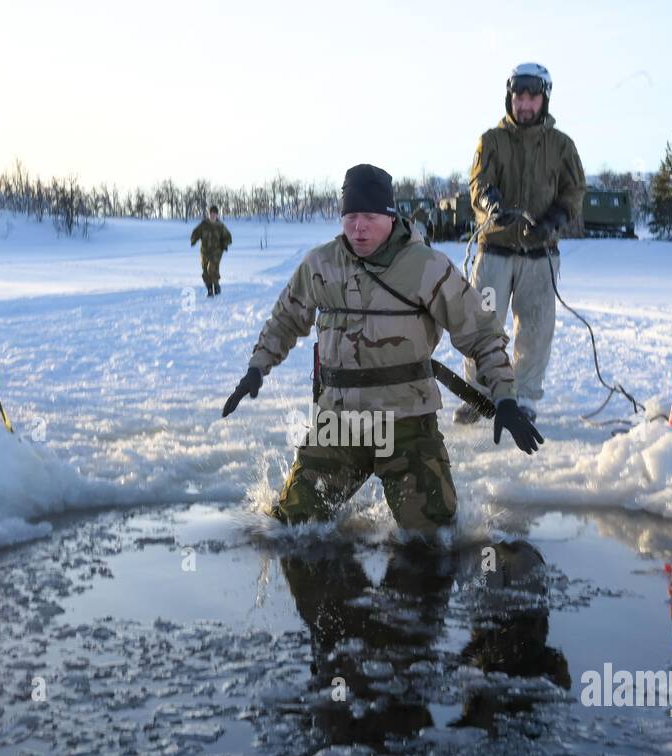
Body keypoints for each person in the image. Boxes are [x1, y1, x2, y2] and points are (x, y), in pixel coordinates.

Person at [221, 163, 543, 538]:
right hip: (339, 424)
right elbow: (285, 320)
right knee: (290, 527)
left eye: (370, 217)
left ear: (391, 217)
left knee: (432, 538)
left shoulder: (427, 267)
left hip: (407, 422)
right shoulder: (320, 265)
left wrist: (504, 396)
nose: (359, 228)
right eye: (351, 216)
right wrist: (256, 369)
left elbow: (482, 334)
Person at [456, 62, 585, 426]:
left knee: (535, 328)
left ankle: (525, 396)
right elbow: (478, 183)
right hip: (494, 251)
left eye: (532, 97)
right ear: (510, 98)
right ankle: (478, 394)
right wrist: (491, 204)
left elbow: (574, 191)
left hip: (539, 255)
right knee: (481, 324)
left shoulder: (562, 146)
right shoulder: (491, 140)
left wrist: (555, 220)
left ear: (544, 99)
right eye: (519, 97)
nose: (524, 104)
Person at [190, 205, 231, 296]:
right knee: (205, 271)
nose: (212, 215)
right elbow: (196, 233)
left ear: (217, 215)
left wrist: (225, 244)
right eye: (211, 213)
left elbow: (228, 237)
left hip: (216, 252)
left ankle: (216, 286)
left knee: (211, 268)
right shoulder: (203, 224)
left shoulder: (220, 226)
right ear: (209, 214)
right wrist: (194, 240)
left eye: (214, 214)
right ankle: (210, 288)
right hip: (204, 252)